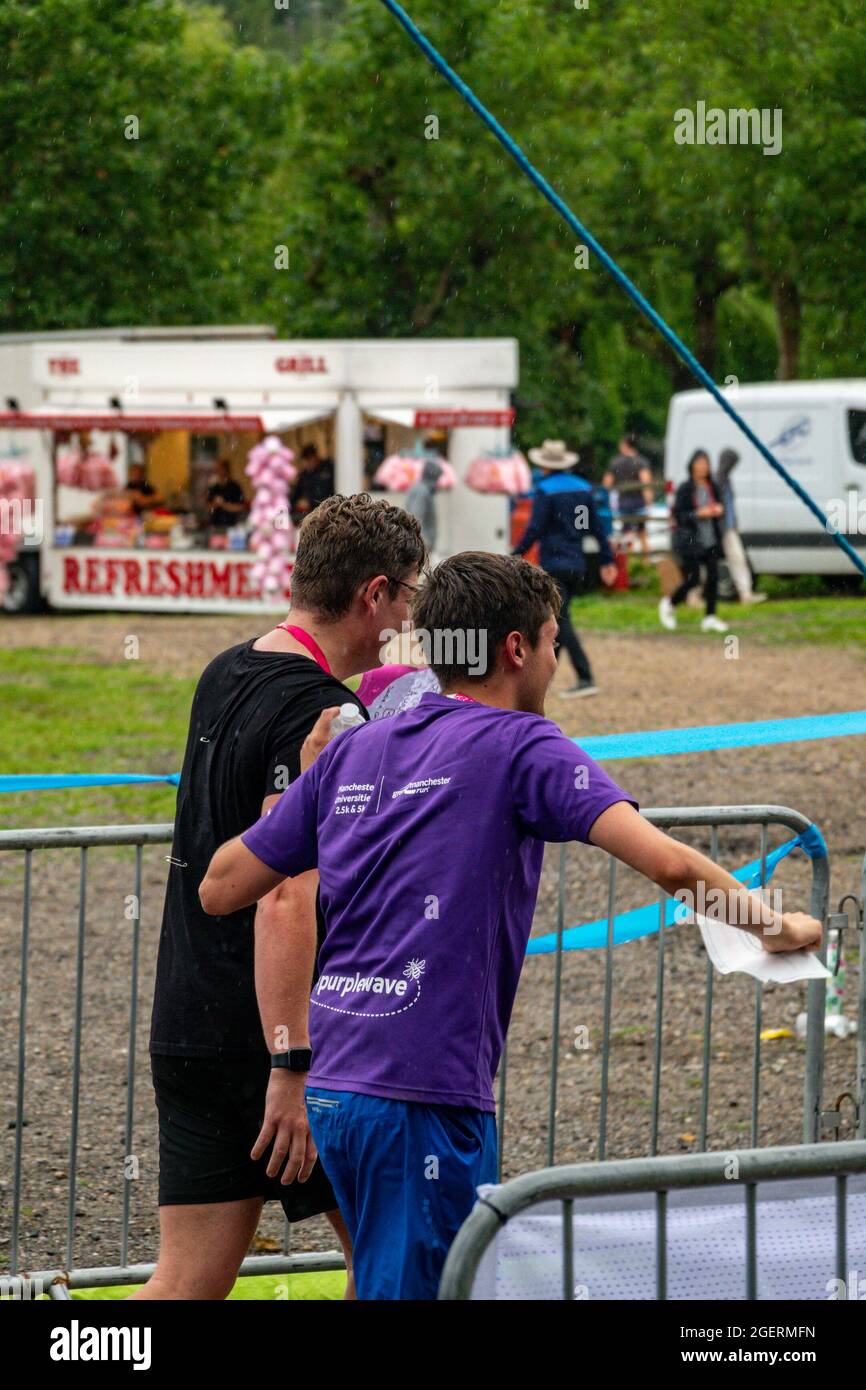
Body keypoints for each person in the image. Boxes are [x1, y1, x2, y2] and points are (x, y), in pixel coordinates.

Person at [201, 551, 822, 1302]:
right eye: (555, 641)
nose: (559, 660)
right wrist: (770, 928)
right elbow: (666, 864)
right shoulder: (523, 746)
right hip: (420, 1091)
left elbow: (220, 885)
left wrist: (313, 784)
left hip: (337, 1086)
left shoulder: (356, 748)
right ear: (517, 648)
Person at [133, 494, 426, 1301]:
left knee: (183, 1285)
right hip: (281, 1043)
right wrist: (290, 1064)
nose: (407, 620)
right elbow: (286, 897)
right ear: (374, 594)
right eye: (407, 597)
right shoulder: (325, 712)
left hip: (189, 1023)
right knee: (395, 1263)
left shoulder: (225, 669)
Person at [513, 438, 617, 698]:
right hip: (578, 564)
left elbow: (535, 529)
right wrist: (607, 559)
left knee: (559, 619)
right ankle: (544, 680)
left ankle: (585, 676)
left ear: (544, 465)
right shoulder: (583, 490)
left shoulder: (545, 490)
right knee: (558, 616)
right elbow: (595, 528)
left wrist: (513, 555)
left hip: (554, 564)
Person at [660, 449, 728, 633]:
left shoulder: (712, 486)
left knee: (713, 577)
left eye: (705, 464)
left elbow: (721, 506)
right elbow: (679, 515)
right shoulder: (685, 488)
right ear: (692, 466)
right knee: (694, 579)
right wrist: (699, 513)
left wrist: (718, 510)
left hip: (711, 538)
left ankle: (710, 617)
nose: (702, 468)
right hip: (691, 540)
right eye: (699, 464)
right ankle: (670, 603)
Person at [716, 447, 767, 604]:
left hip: (729, 527)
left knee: (737, 559)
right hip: (720, 527)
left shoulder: (725, 479)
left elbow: (730, 505)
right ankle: (744, 592)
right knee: (731, 559)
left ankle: (745, 592)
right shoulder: (717, 480)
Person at [603, 433, 654, 556]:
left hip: (624, 503)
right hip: (639, 502)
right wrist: (649, 501)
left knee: (626, 534)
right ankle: (646, 563)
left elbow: (606, 483)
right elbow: (645, 483)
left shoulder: (615, 462)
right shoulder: (641, 462)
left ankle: (628, 563)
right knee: (642, 534)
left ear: (625, 445)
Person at [404, 458, 442, 552]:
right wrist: (423, 543)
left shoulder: (424, 489)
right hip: (421, 545)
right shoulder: (421, 491)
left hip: (422, 544)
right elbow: (416, 517)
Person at [290, 442, 335, 522]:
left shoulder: (328, 468)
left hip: (329, 510)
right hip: (310, 513)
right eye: (308, 460)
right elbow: (295, 497)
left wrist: (310, 502)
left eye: (312, 458)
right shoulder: (305, 475)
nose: (311, 461)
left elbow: (329, 492)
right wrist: (297, 503)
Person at [207, 458, 246, 529]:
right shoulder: (214, 487)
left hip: (231, 525)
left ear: (226, 470)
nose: (216, 472)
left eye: (219, 469)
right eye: (215, 470)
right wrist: (215, 504)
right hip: (215, 525)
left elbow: (240, 507)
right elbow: (209, 507)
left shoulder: (234, 487)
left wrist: (223, 504)